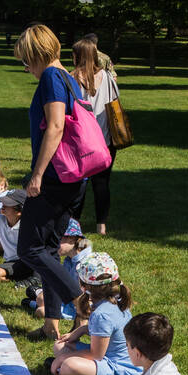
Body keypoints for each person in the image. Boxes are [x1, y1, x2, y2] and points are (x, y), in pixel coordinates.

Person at [14, 24, 88, 342]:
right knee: (47, 250)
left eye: (25, 60)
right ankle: (51, 326)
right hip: (73, 176)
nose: (25, 67)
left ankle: (81, 303)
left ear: (35, 54)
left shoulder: (51, 77)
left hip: (55, 178)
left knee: (29, 248)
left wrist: (38, 175)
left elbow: (55, 127)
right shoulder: (69, 78)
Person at [49, 253, 137, 375]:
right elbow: (106, 334)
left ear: (84, 286)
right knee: (59, 345)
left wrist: (63, 358)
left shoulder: (101, 314)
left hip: (118, 367)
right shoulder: (117, 300)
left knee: (69, 365)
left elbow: (96, 354)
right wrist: (81, 331)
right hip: (111, 356)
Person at [71, 38, 119, 236]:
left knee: (78, 183)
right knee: (101, 183)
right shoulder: (107, 76)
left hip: (83, 138)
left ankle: (74, 222)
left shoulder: (73, 77)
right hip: (106, 138)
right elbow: (115, 101)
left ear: (78, 56)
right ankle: (101, 225)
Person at [0, 190, 42, 294]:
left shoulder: (30, 225)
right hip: (12, 263)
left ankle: (34, 278)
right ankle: (22, 279)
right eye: (3, 202)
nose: (3, 205)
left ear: (19, 211)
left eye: (8, 204)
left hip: (30, 263)